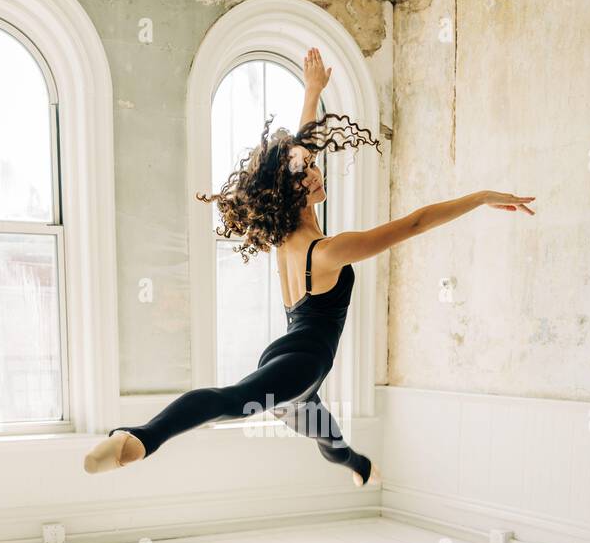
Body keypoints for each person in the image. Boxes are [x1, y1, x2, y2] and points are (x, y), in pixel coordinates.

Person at [84, 47, 535, 482]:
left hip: (289, 364)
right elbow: (414, 223)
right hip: (299, 367)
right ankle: (140, 439)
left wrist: (312, 93)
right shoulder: (328, 251)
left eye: (310, 165)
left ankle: (359, 468)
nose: (315, 172)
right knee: (235, 399)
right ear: (289, 191)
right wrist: (481, 197)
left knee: (330, 441)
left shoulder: (285, 238)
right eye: (305, 173)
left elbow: (300, 146)